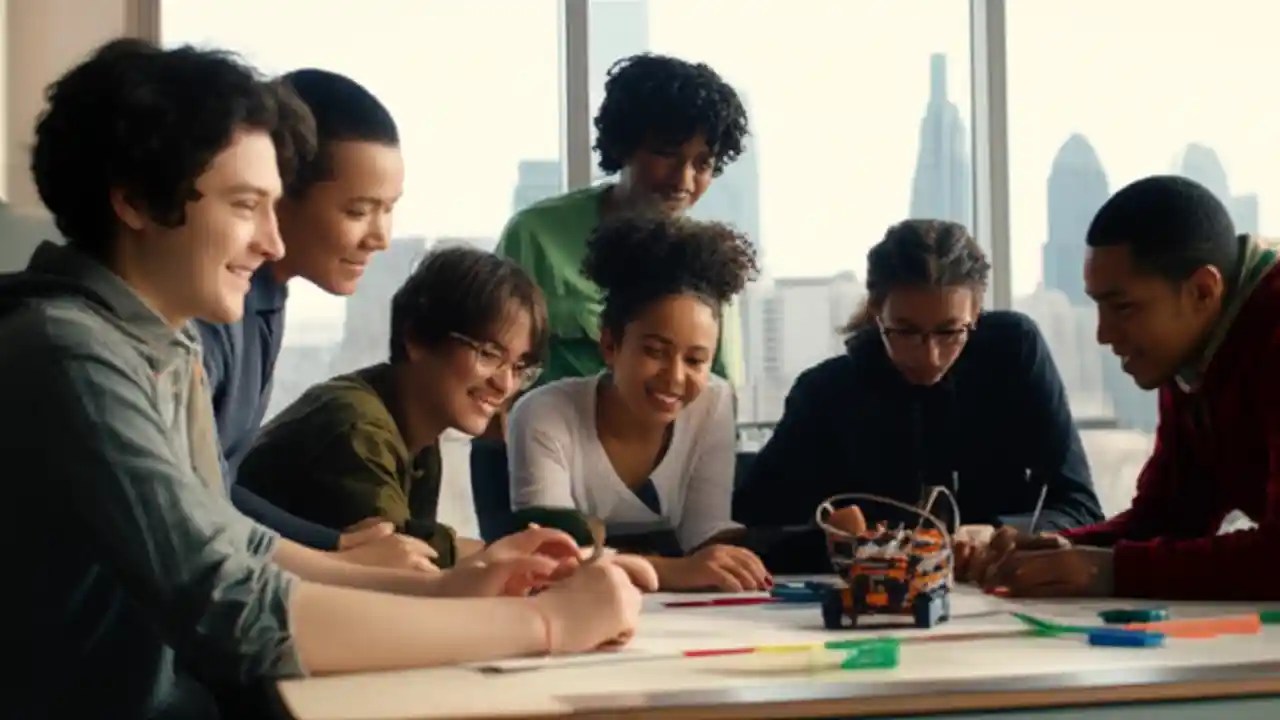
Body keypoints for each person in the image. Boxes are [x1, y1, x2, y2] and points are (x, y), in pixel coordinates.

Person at [0, 38, 654, 719]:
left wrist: (453, 590)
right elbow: (235, 609)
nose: (273, 242)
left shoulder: (165, 348)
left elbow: (233, 541)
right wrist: (548, 627)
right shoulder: (66, 355)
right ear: (135, 200)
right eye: (245, 205)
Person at [970, 176, 1280, 600]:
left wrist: (1109, 570)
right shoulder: (1194, 344)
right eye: (1098, 305)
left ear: (1203, 291)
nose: (1103, 334)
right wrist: (1064, 551)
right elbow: (1168, 517)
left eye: (1124, 307)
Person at [733, 219, 1104, 573]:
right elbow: (749, 533)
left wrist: (999, 531)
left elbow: (1081, 508)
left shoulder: (1012, 352)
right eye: (906, 332)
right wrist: (825, 538)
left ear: (976, 312)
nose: (930, 356)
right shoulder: (824, 393)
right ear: (877, 311)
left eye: (950, 332)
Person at [196, 67, 418, 566]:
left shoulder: (264, 296)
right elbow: (195, 503)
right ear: (281, 192)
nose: (380, 236)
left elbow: (217, 481)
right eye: (359, 211)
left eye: (389, 209)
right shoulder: (210, 312)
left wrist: (333, 547)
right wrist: (335, 558)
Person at [236, 245, 549, 569]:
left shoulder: (419, 430)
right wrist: (514, 556)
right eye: (488, 354)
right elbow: (406, 562)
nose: (506, 385)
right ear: (417, 338)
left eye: (519, 368)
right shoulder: (358, 426)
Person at [508, 213, 772, 592]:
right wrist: (674, 571)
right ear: (610, 344)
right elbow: (551, 555)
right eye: (654, 351)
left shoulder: (713, 401)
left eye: (696, 360)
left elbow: (705, 532)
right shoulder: (543, 415)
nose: (675, 377)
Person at [494, 52, 751, 399]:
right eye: (666, 154)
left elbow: (721, 391)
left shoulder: (710, 261)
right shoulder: (535, 235)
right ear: (624, 145)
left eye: (702, 164)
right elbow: (490, 362)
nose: (683, 179)